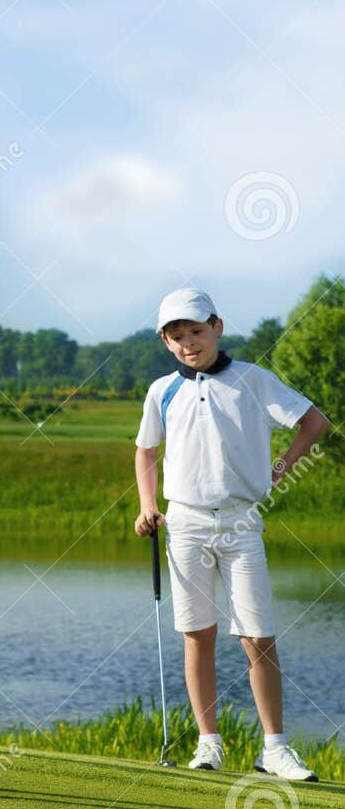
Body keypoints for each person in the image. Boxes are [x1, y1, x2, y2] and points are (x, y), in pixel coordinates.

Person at [135, 287, 328, 780]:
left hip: (241, 523)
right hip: (185, 524)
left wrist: (280, 469)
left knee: (257, 636)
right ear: (165, 342)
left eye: (196, 331)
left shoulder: (252, 380)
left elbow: (314, 422)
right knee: (197, 634)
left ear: (217, 328)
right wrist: (147, 505)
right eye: (177, 336)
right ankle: (209, 744)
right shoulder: (162, 390)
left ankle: (274, 749)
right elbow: (146, 451)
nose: (188, 342)